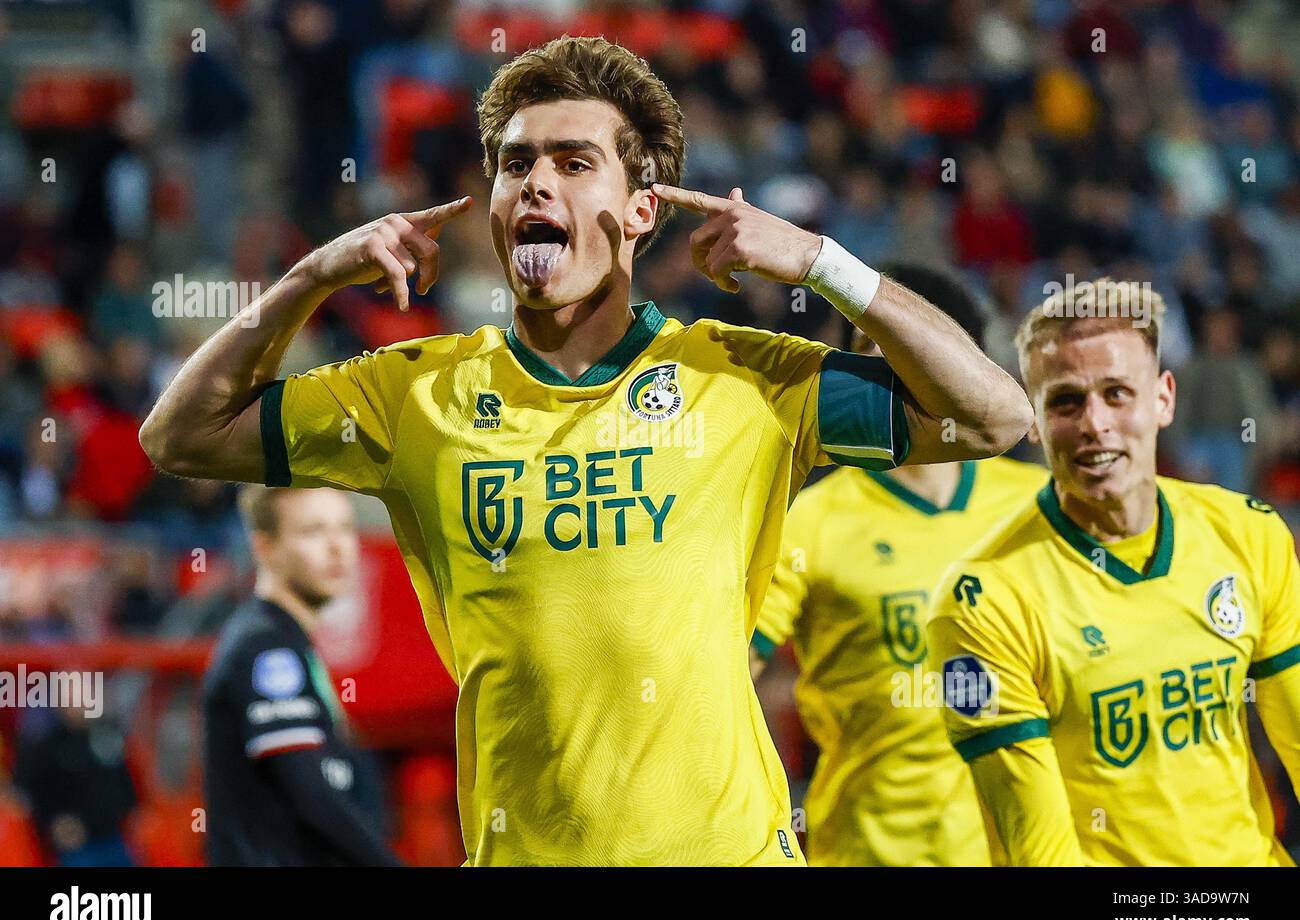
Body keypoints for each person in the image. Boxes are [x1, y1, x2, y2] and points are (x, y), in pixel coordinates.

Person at [141, 36, 1030, 866]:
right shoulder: (410, 394)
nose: (536, 184)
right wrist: (308, 278)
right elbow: (179, 436)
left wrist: (825, 263)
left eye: (574, 164)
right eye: (515, 164)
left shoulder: (745, 379)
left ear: (641, 210)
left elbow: (994, 417)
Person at [928, 278, 1300, 865]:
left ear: (1163, 399)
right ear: (1034, 421)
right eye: (1066, 401)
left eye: (1117, 393)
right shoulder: (983, 602)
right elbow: (1039, 852)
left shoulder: (1250, 534)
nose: (1095, 424)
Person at [751, 263, 1043, 866]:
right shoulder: (811, 518)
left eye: (911, 348)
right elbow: (729, 672)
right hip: (866, 850)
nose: (890, 367)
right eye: (865, 348)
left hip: (1020, 850)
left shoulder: (1033, 508)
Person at [202, 485, 400, 866]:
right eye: (312, 532)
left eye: (344, 528)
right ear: (265, 548)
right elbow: (310, 793)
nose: (337, 547)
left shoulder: (287, 641)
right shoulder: (264, 648)